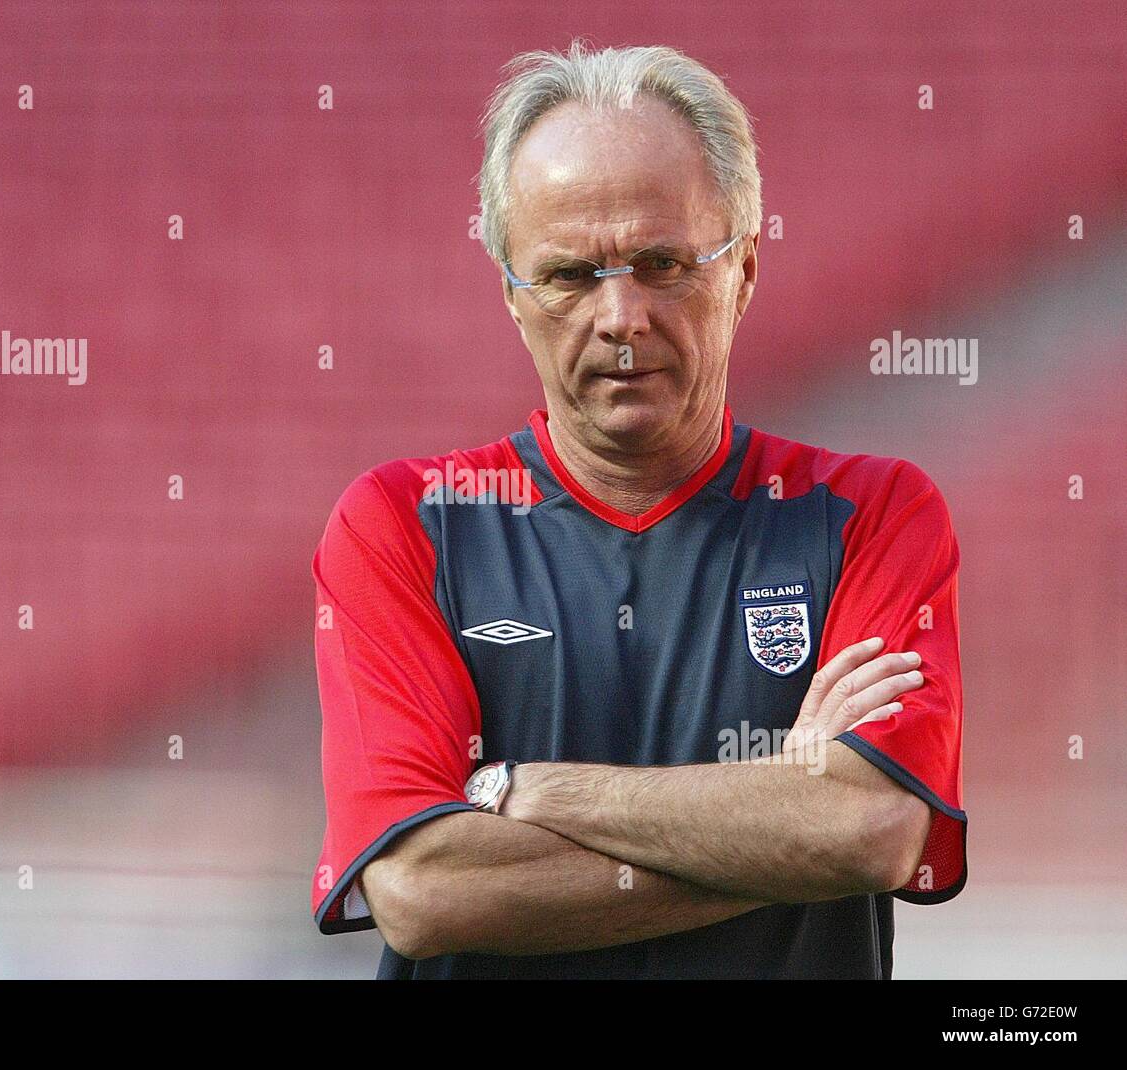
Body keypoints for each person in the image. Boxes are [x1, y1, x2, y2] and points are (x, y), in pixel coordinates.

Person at [309, 40, 966, 979]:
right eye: (572, 274)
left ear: (742, 269)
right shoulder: (403, 526)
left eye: (663, 263)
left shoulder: (870, 515)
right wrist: (788, 820)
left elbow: (874, 826)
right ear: (511, 293)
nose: (621, 316)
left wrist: (522, 792)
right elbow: (423, 892)